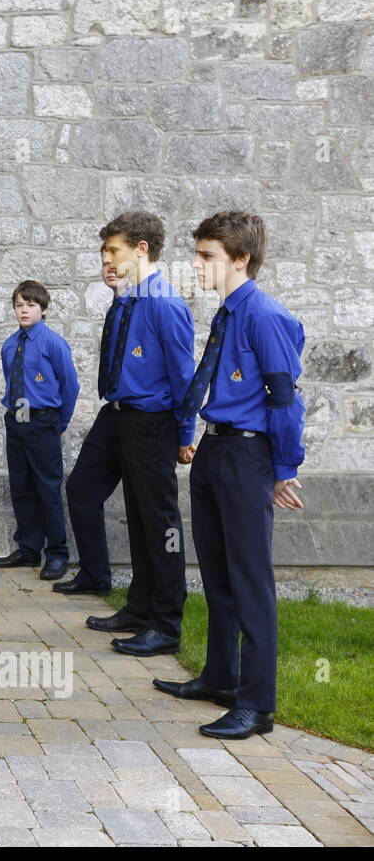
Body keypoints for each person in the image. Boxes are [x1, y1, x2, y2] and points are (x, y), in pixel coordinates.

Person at [154, 212, 304, 739]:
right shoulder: (226, 314)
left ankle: (257, 705)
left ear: (240, 259)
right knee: (217, 577)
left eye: (207, 256)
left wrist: (284, 468)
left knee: (250, 583)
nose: (197, 265)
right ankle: (220, 677)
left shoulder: (263, 315)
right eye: (197, 254)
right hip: (215, 452)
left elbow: (285, 399)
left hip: (247, 459)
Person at [77, 212, 196, 659]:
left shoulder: (165, 303)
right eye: (104, 251)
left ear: (141, 249)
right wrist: (117, 295)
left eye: (114, 250)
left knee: (159, 522)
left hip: (153, 422)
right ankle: (139, 605)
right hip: (120, 414)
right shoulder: (128, 299)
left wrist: (185, 434)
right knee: (96, 493)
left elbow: (185, 376)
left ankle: (165, 624)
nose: (106, 258)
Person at [0, 280, 79, 582]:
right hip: (16, 420)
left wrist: (57, 423)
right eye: (19, 305)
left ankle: (57, 553)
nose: (24, 310)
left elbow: (70, 386)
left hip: (43, 422)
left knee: (47, 488)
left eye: (30, 305)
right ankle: (28, 547)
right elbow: (10, 378)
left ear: (43, 309)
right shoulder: (9, 345)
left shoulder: (53, 343)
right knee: (21, 486)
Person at [54, 244, 127, 596]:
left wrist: (182, 430)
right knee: (81, 488)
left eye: (115, 260)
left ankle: (155, 604)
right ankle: (94, 575)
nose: (108, 267)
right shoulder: (118, 308)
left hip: (144, 420)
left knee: (149, 511)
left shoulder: (154, 306)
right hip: (111, 412)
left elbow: (179, 371)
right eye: (103, 263)